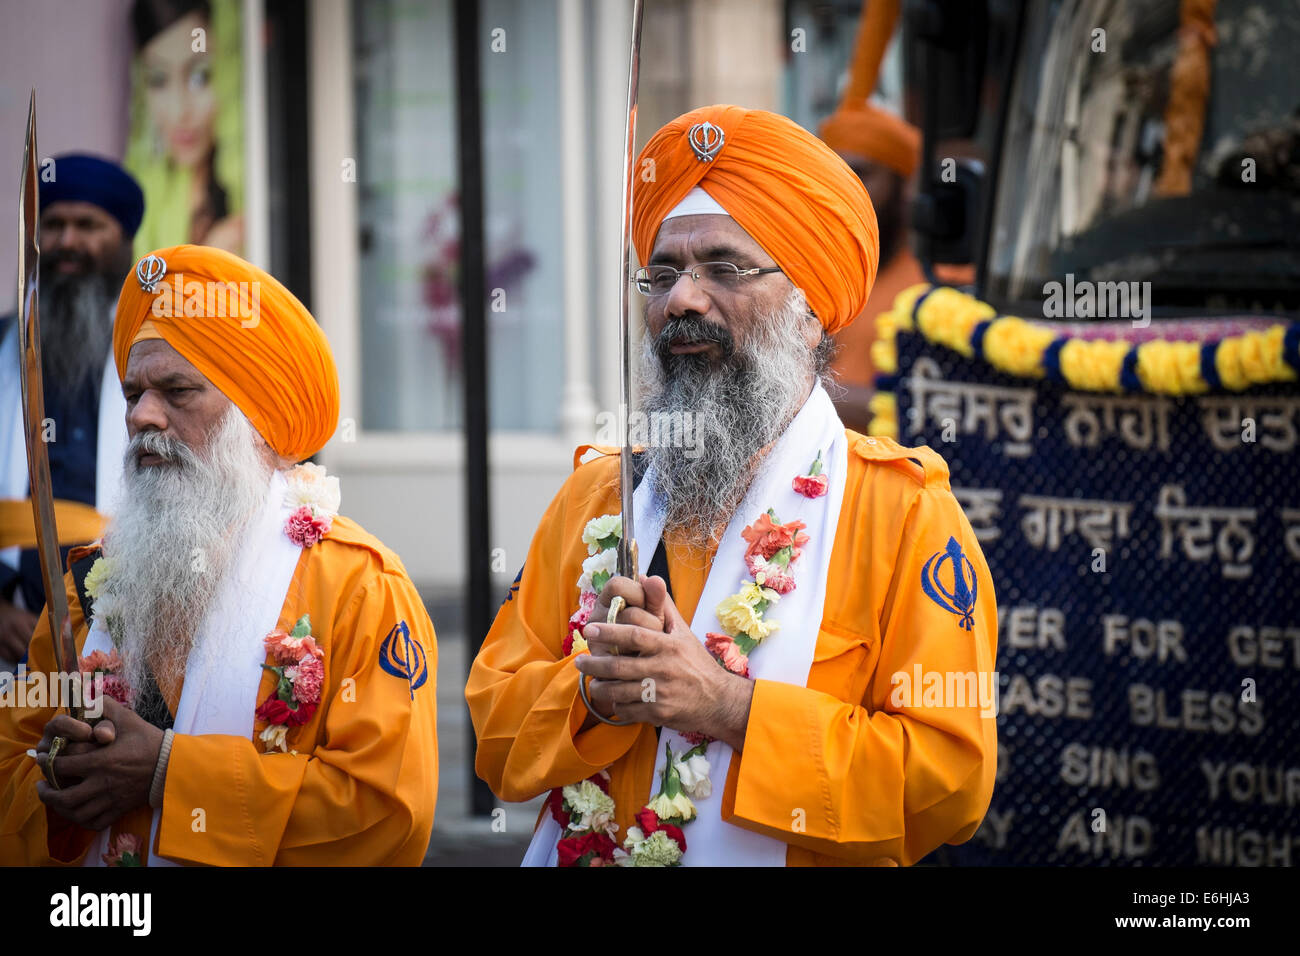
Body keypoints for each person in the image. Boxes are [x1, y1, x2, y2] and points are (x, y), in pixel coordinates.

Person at [467, 105, 998, 866]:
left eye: (724, 268)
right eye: (663, 275)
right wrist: (592, 696)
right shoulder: (598, 497)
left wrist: (727, 706)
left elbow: (947, 784)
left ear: (812, 313)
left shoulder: (904, 515)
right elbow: (494, 734)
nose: (681, 299)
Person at [0, 245, 437, 866]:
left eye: (177, 391)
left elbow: (387, 813)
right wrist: (57, 781)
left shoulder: (360, 585)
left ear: (252, 416)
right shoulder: (83, 584)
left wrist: (165, 773)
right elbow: (10, 769)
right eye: (132, 394)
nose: (144, 416)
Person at [0, 154, 142, 668]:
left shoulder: (158, 354)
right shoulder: (2, 344)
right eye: (53, 225)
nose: (66, 242)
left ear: (124, 240)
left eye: (88, 226)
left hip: (131, 629)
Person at [128, 0, 244, 255]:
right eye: (158, 80)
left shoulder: (253, 196)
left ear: (229, 77)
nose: (179, 111)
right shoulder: (147, 204)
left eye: (200, 77)